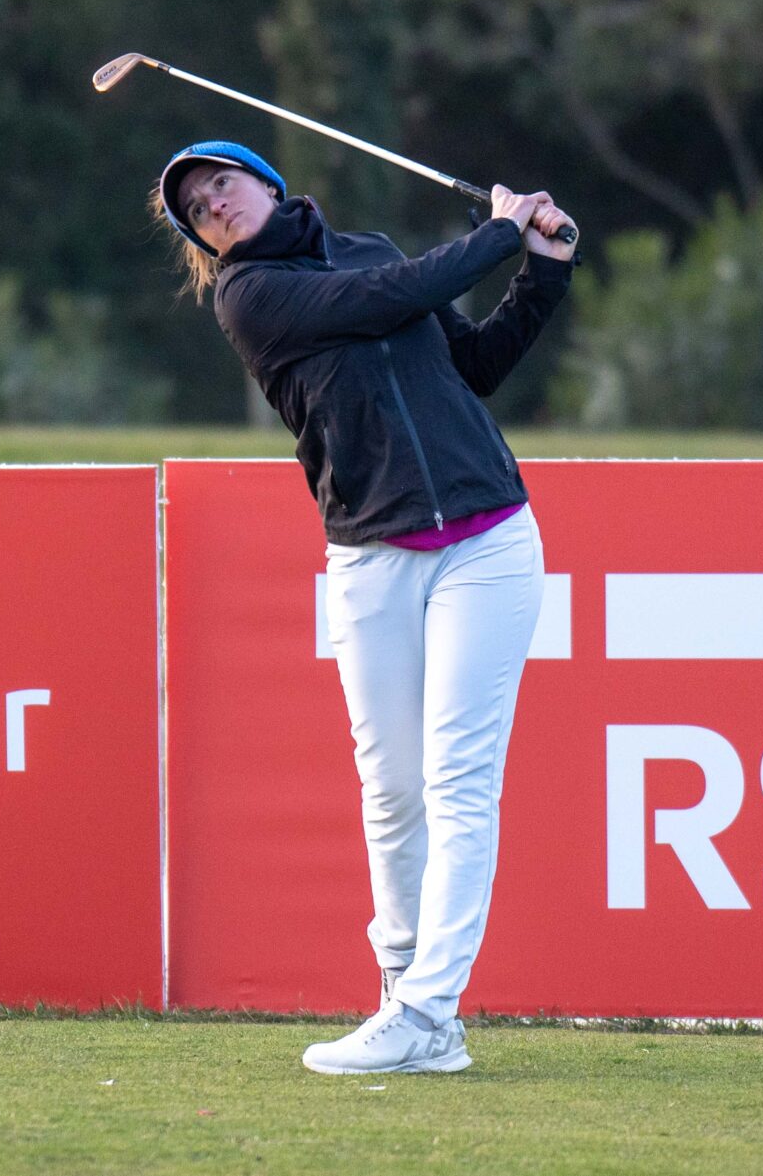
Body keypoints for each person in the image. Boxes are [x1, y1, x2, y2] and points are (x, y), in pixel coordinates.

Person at [151, 139, 577, 1075]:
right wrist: (499, 230)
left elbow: (476, 365)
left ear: (266, 179)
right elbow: (381, 306)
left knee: (459, 781)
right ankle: (405, 995)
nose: (211, 205)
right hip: (372, 556)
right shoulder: (249, 300)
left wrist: (540, 270)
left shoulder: (376, 250)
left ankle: (429, 1010)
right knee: (391, 792)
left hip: (488, 540)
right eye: (195, 209)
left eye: (219, 183)